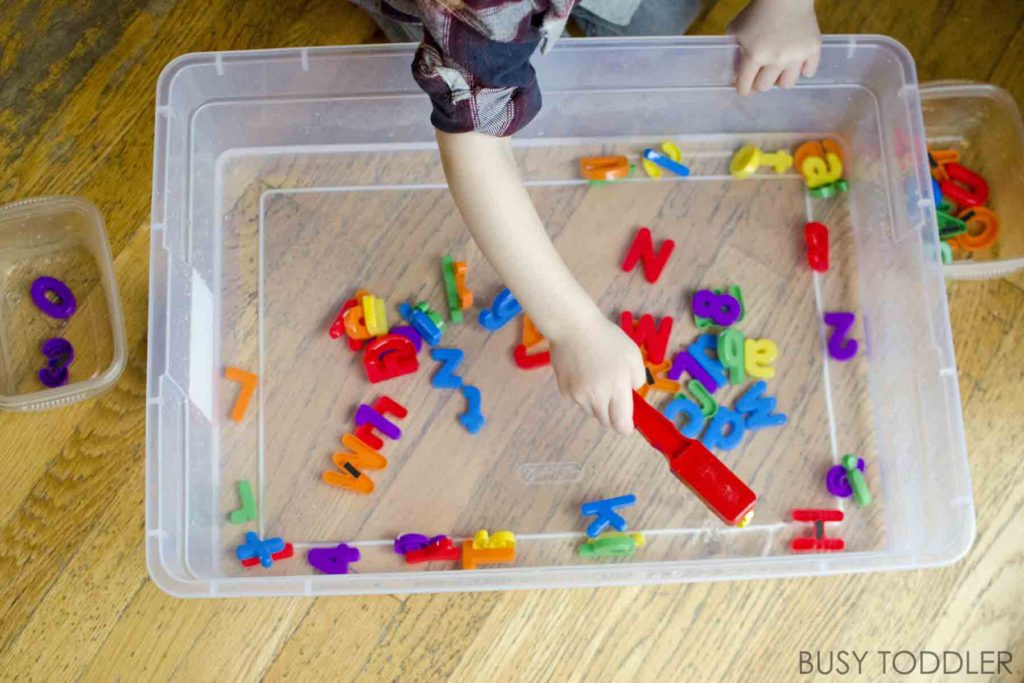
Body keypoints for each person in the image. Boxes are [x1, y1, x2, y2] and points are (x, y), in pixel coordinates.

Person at [351, 0, 822, 435]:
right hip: (462, 21)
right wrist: (573, 327)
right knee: (475, 74)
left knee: (652, 28)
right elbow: (475, 142)